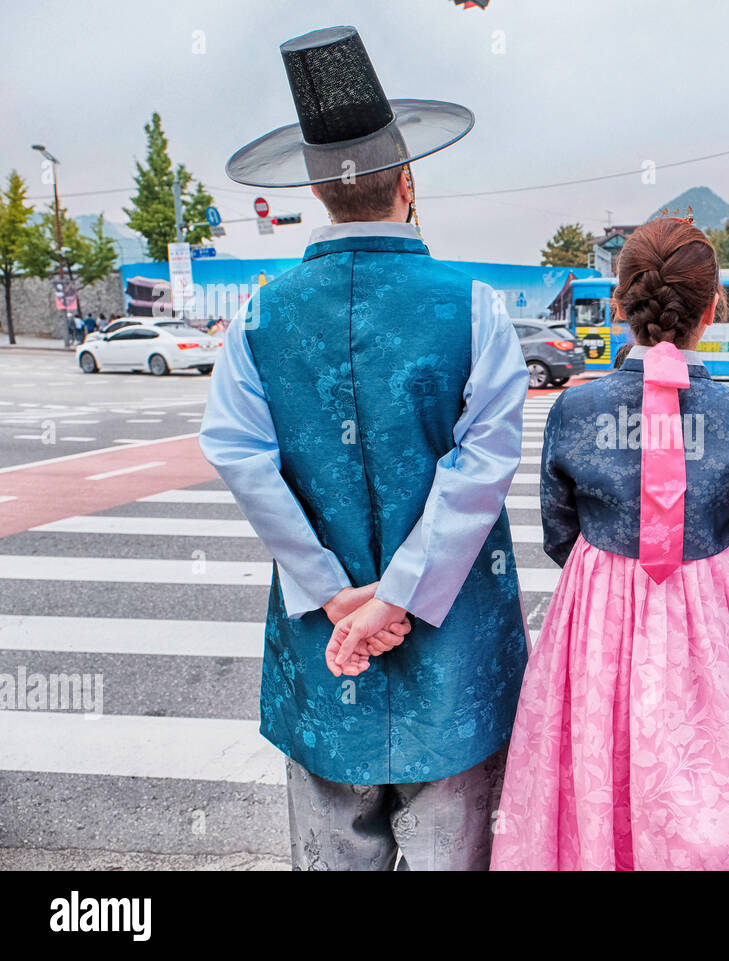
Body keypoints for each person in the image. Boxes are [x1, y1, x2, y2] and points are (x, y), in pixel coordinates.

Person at [201, 25, 530, 871]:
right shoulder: (477, 307)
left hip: (326, 645)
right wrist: (403, 597)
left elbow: (239, 454)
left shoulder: (261, 317)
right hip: (452, 646)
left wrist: (337, 596)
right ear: (407, 185)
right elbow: (479, 469)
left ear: (318, 193)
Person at [491, 218, 729, 870]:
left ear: (618, 302)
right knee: (718, 788)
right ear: (713, 308)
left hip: (598, 625)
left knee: (601, 768)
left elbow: (559, 533)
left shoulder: (574, 412)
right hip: (720, 631)